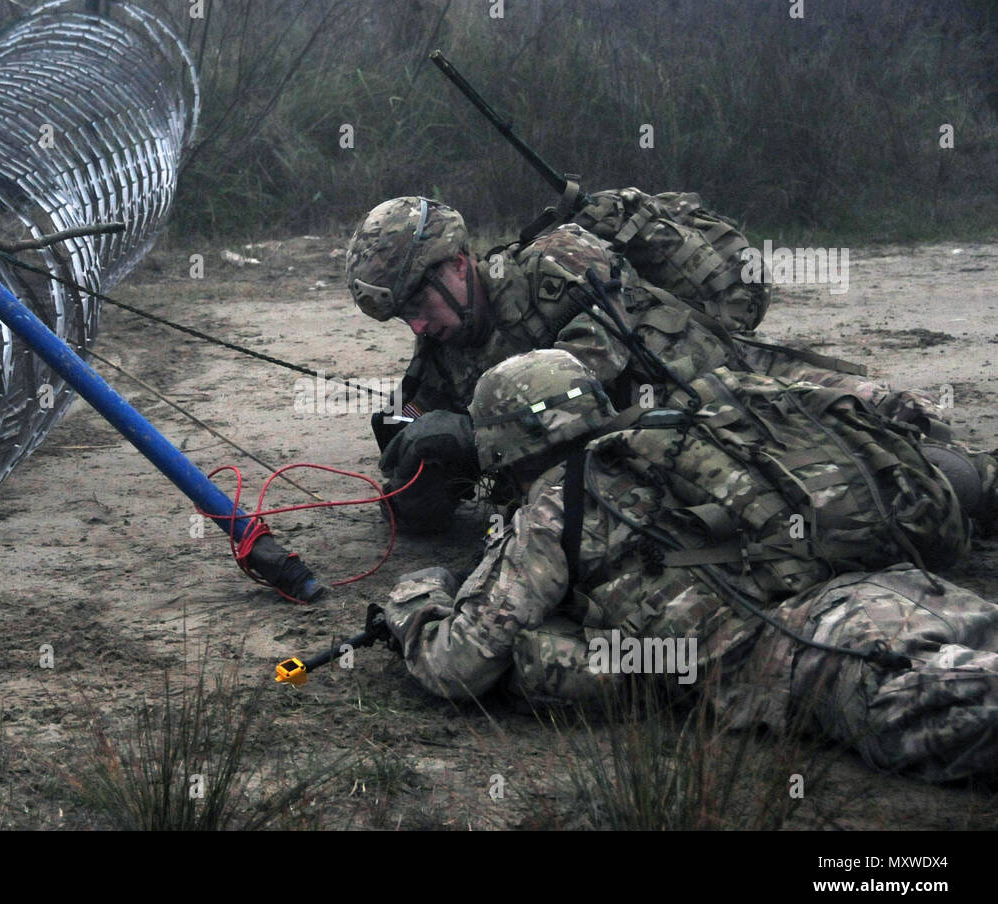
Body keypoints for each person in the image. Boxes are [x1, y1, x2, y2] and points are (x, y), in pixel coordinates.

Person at [378, 349, 998, 782]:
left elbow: (456, 665)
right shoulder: (680, 433)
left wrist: (417, 598)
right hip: (893, 586)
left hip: (805, 650)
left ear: (503, 447)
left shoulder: (553, 507)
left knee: (960, 717)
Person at [345, 195, 997, 535]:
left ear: (459, 265)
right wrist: (413, 465)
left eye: (418, 304)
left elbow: (580, 382)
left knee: (924, 448)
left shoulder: (558, 267)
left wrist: (475, 437)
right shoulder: (439, 361)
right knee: (900, 494)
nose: (419, 326)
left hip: (732, 387)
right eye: (403, 318)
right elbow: (410, 496)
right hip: (683, 464)